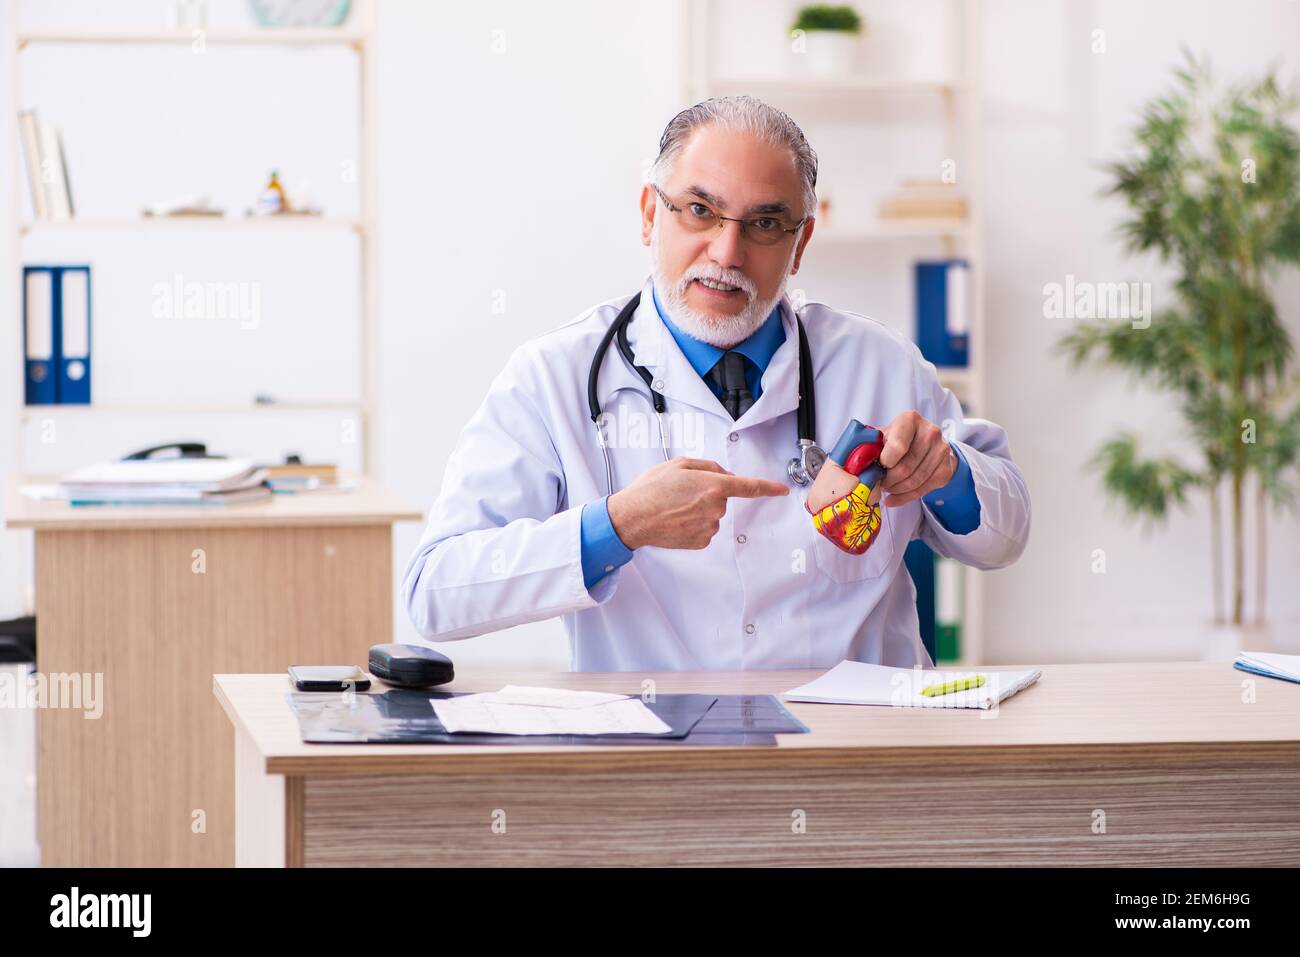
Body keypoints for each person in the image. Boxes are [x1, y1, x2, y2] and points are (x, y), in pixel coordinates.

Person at [403, 96, 1030, 671]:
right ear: (651, 213)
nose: (727, 252)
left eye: (763, 224)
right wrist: (616, 527)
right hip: (660, 757)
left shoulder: (880, 363)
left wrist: (945, 472)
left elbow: (1004, 538)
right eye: (700, 211)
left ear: (800, 241)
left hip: (856, 751)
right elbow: (437, 594)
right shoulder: (553, 377)